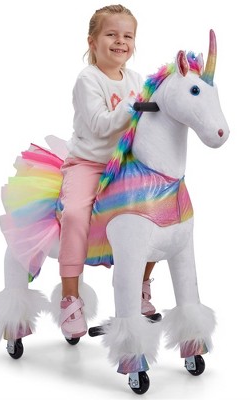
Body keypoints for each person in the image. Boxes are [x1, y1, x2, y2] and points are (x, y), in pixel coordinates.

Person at [59, 4, 156, 340]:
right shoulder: (88, 79)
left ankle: (141, 286)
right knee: (74, 214)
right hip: (89, 164)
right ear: (92, 41)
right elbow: (100, 126)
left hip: (124, 164)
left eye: (127, 36)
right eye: (111, 34)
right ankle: (70, 298)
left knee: (157, 214)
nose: (120, 41)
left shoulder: (137, 80)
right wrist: (132, 105)